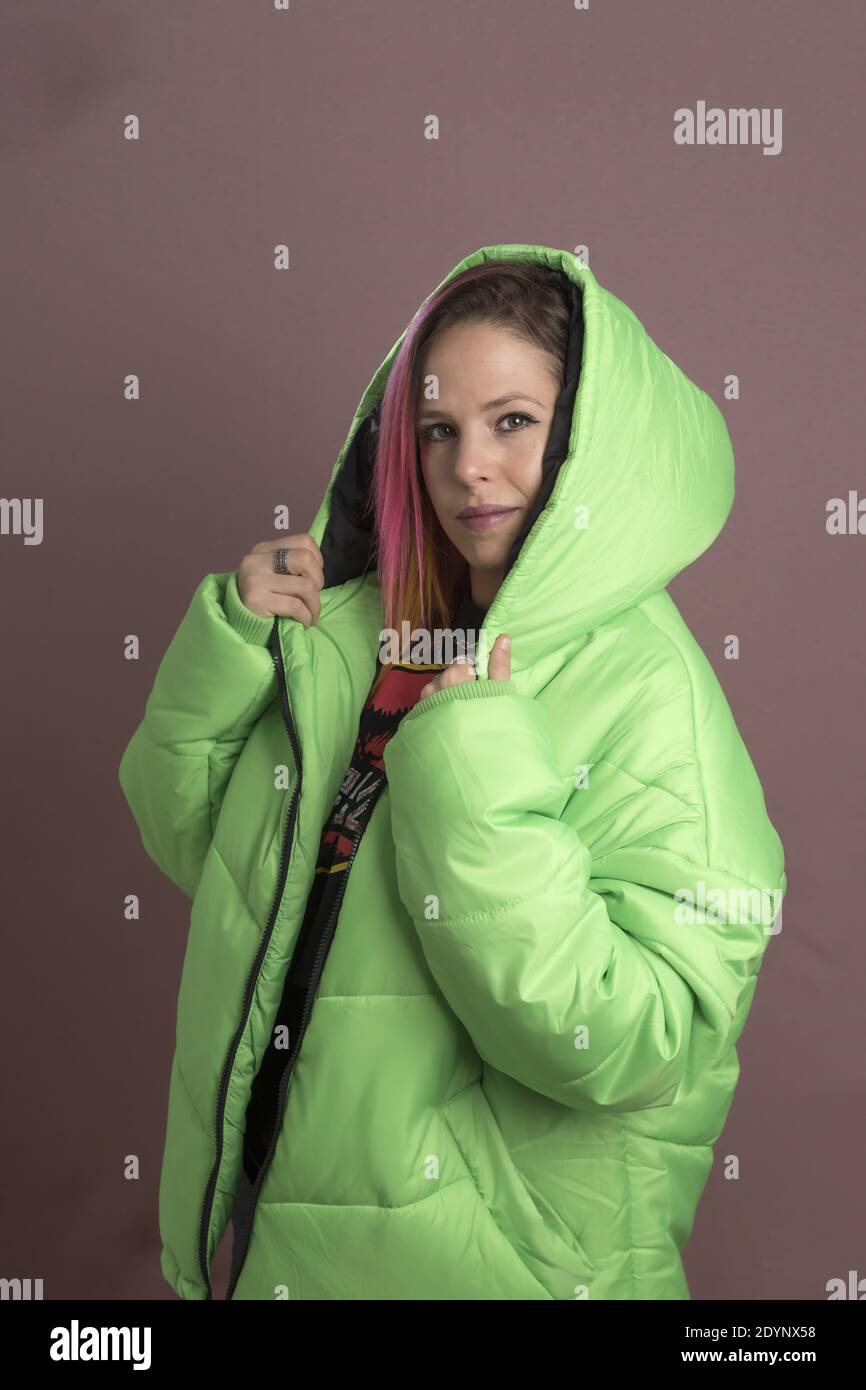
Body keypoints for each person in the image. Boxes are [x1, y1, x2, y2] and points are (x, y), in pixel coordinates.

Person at [118, 244, 787, 1301]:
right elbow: (202, 853)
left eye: (511, 421)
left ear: (584, 437)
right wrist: (231, 652)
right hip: (283, 1250)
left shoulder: (650, 689)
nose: (468, 465)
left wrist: (467, 763)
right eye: (438, 430)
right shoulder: (364, 634)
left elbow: (632, 1042)